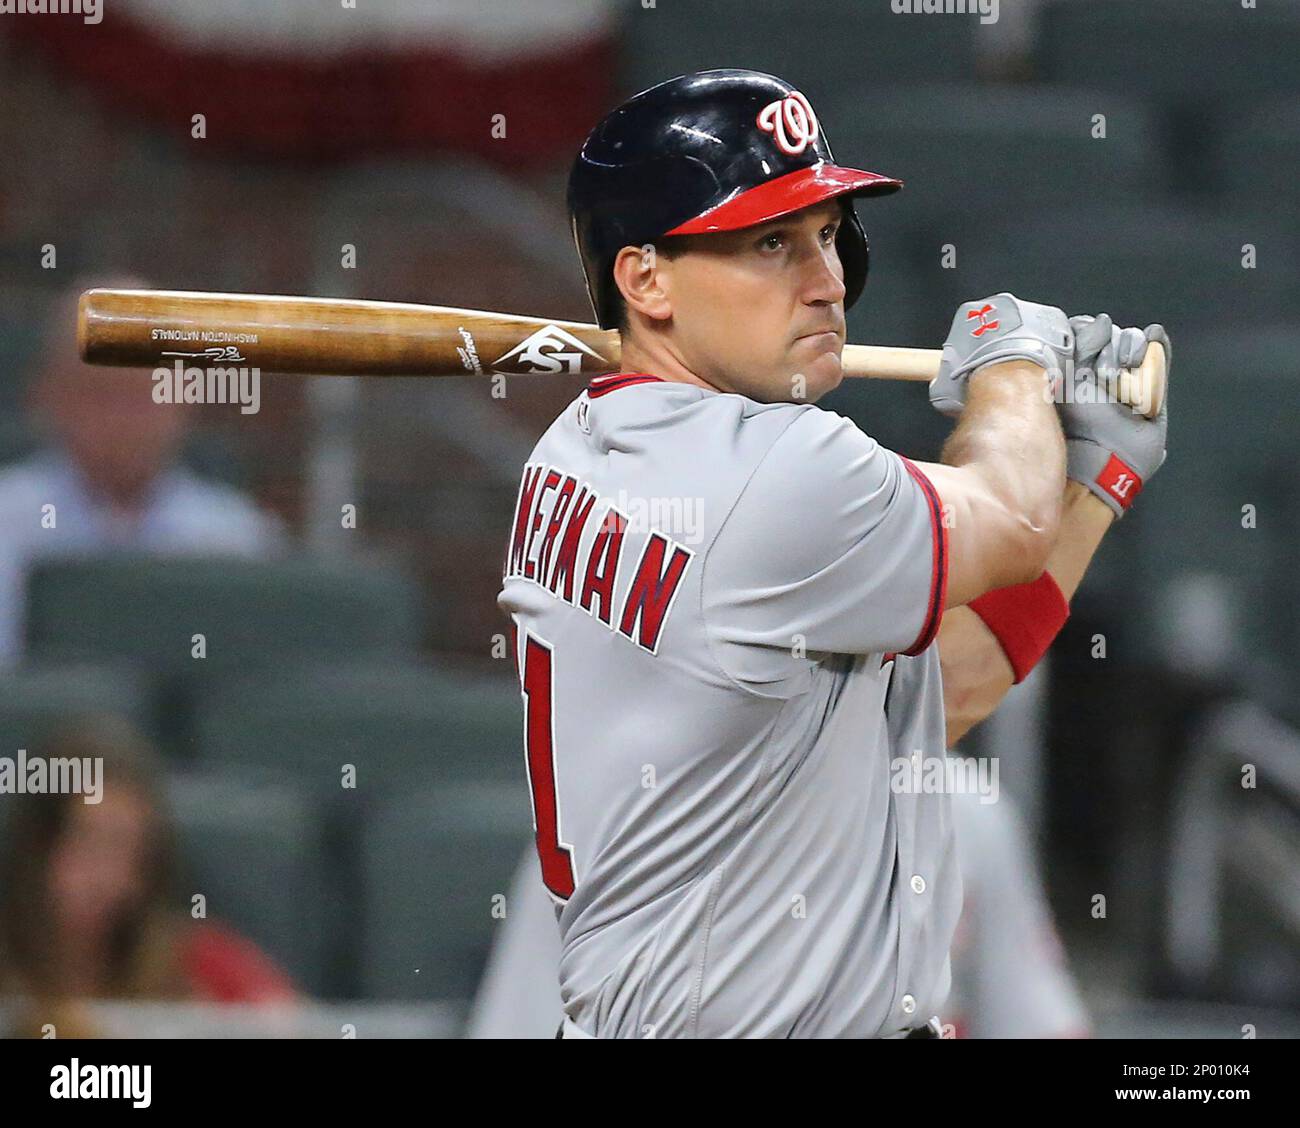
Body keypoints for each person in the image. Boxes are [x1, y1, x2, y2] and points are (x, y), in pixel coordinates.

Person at [497, 69, 1169, 1038]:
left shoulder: (574, 455)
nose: (826, 281)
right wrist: (1013, 365)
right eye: (768, 244)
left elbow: (940, 691)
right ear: (645, 280)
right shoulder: (772, 472)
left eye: (823, 237)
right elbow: (1008, 517)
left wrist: (1095, 485)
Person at [0, 276, 284, 666]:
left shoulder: (239, 540)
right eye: (100, 393)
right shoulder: (6, 523)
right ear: (49, 394)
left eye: (145, 393)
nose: (122, 419)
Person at [0, 716, 297, 1037]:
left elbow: (300, 1027)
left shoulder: (200, 963)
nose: (107, 878)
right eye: (89, 842)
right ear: (38, 844)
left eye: (130, 853)